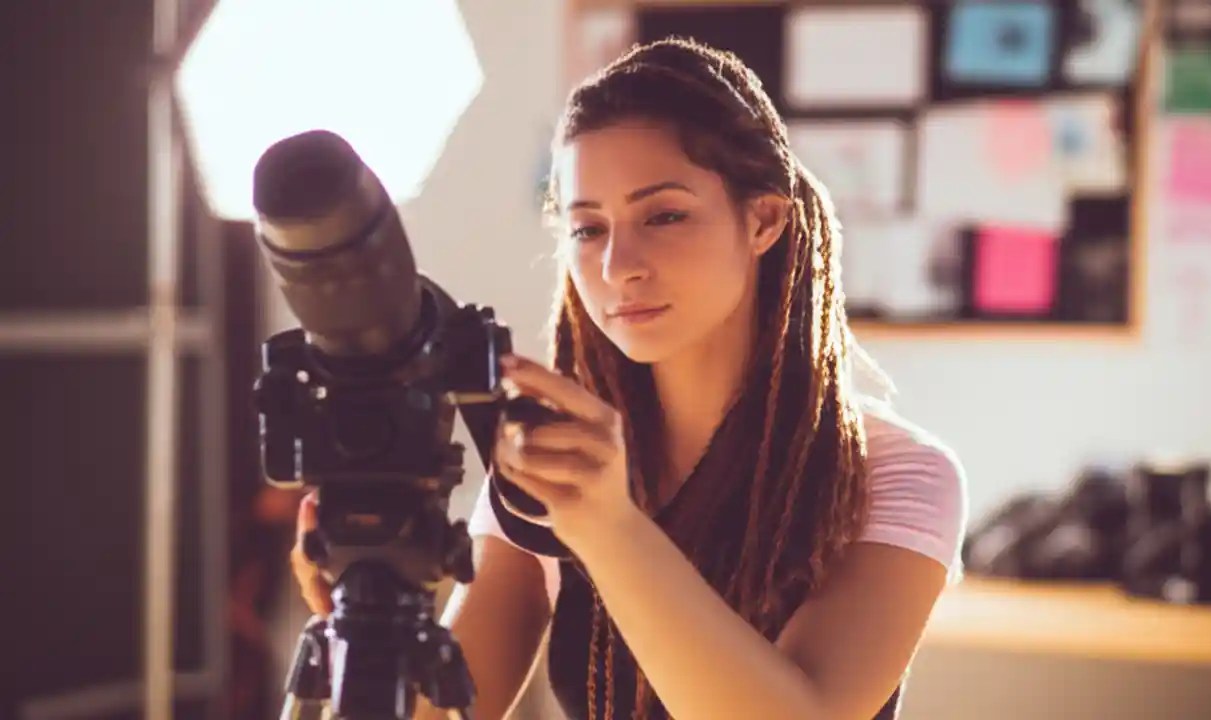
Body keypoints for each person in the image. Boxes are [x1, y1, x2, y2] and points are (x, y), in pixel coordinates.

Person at [292, 37, 967, 720]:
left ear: (763, 219)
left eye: (664, 216)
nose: (619, 266)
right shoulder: (549, 469)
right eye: (588, 229)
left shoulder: (897, 475)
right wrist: (369, 622)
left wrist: (608, 528)